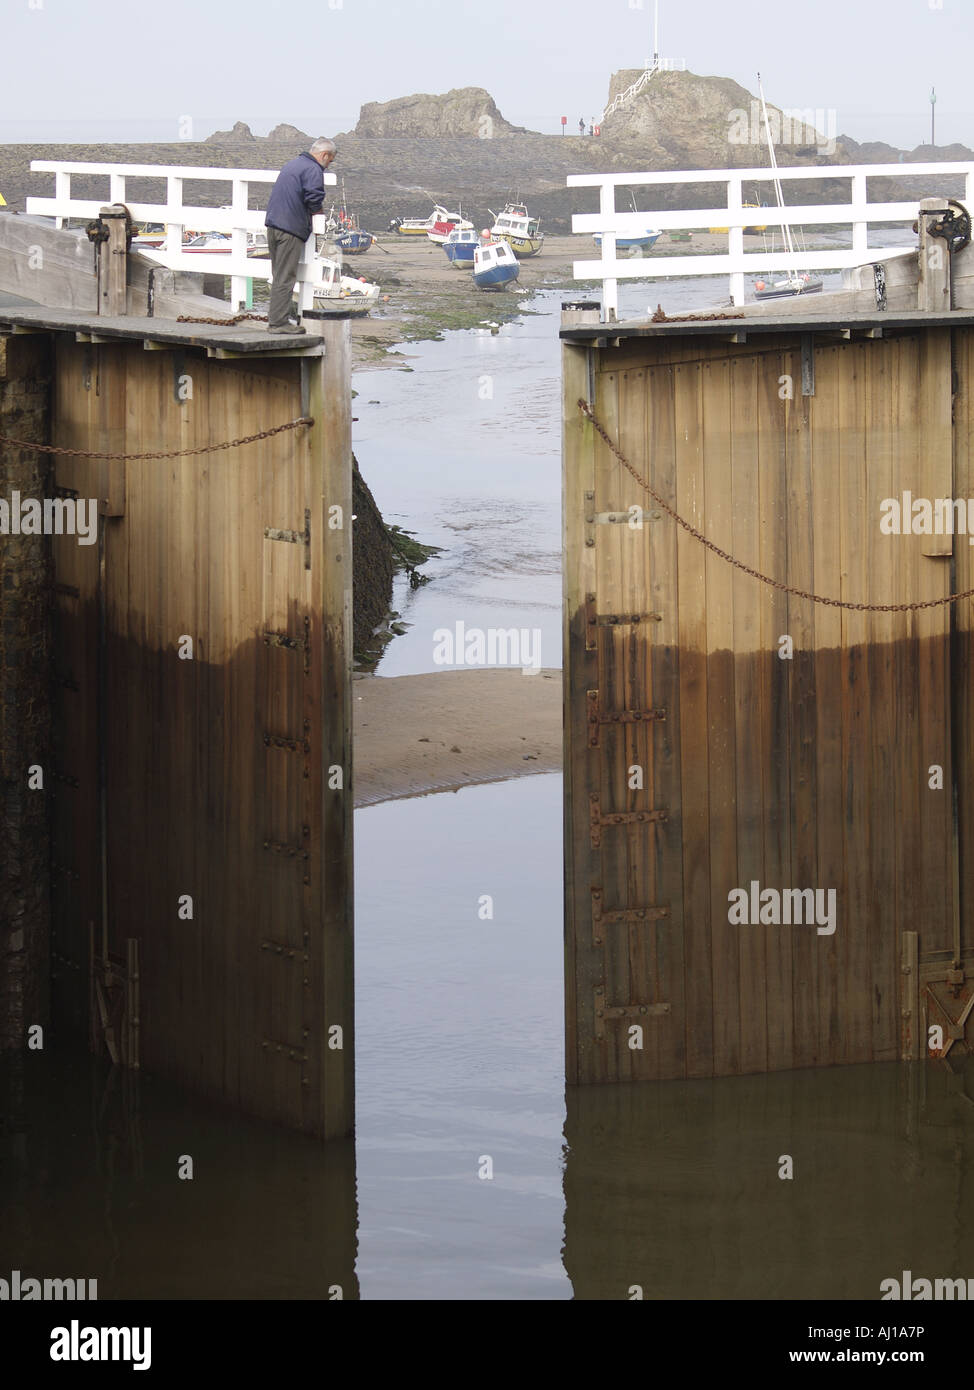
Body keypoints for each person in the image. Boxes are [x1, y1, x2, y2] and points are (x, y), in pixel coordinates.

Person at [264, 137, 337, 333]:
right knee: (286, 276)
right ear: (324, 155)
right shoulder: (313, 169)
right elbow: (313, 196)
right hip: (290, 228)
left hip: (273, 225)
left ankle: (279, 317)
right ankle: (278, 323)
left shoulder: (292, 165)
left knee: (278, 274)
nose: (328, 165)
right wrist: (318, 213)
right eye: (330, 161)